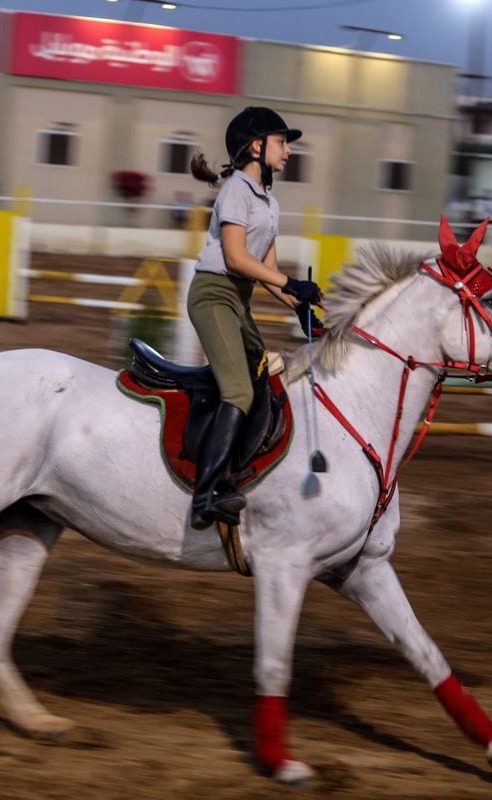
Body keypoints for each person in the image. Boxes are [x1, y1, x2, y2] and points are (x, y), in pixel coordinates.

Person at [184, 106, 323, 530]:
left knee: (263, 382)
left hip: (238, 301)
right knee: (239, 392)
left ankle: (237, 473)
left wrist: (301, 305)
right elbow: (236, 258)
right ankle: (206, 494)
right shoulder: (236, 191)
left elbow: (267, 272)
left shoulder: (268, 201)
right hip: (212, 297)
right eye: (283, 142)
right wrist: (292, 281)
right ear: (257, 146)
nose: (289, 151)